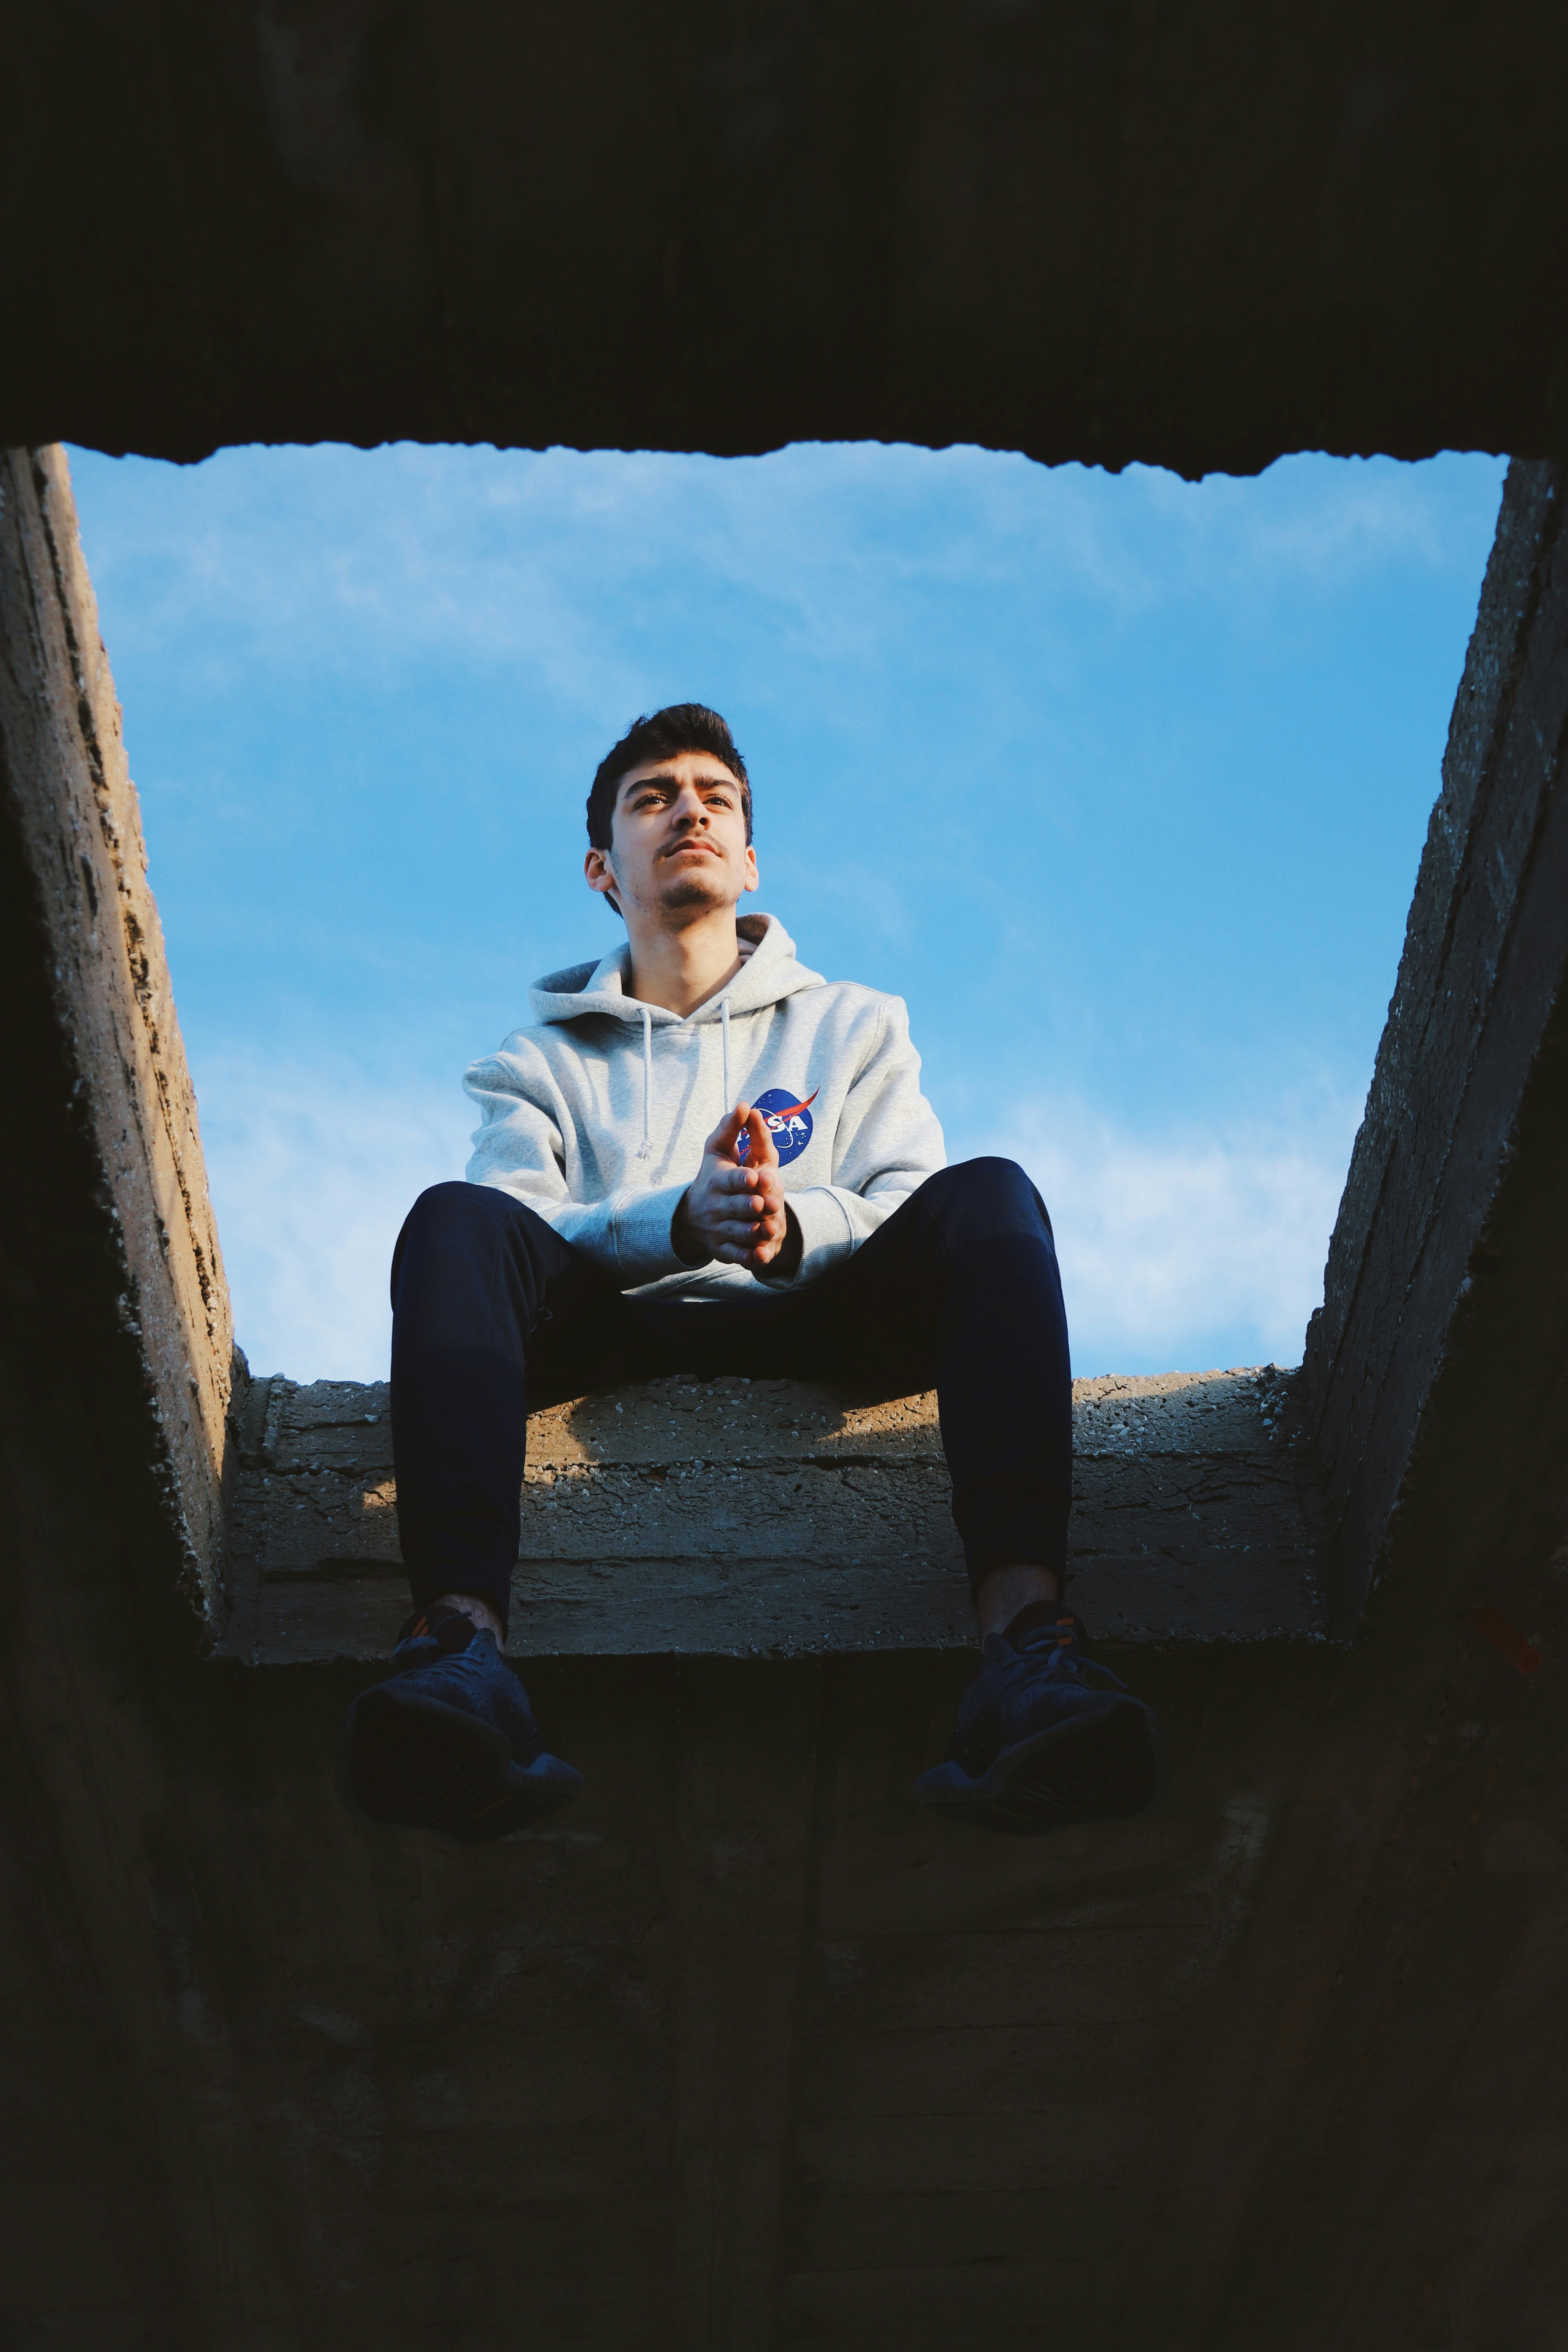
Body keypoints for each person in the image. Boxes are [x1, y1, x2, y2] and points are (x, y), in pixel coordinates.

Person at [337, 705, 1163, 1842]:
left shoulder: (859, 1024)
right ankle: (458, 1653)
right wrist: (679, 1222)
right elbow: (516, 1226)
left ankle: (1029, 1655)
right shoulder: (533, 1062)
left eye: (714, 797)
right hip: (615, 1320)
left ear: (749, 855)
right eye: (653, 796)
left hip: (824, 1313)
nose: (689, 810)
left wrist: (783, 1228)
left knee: (992, 1197)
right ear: (601, 866)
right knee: (452, 1221)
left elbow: (904, 1203)